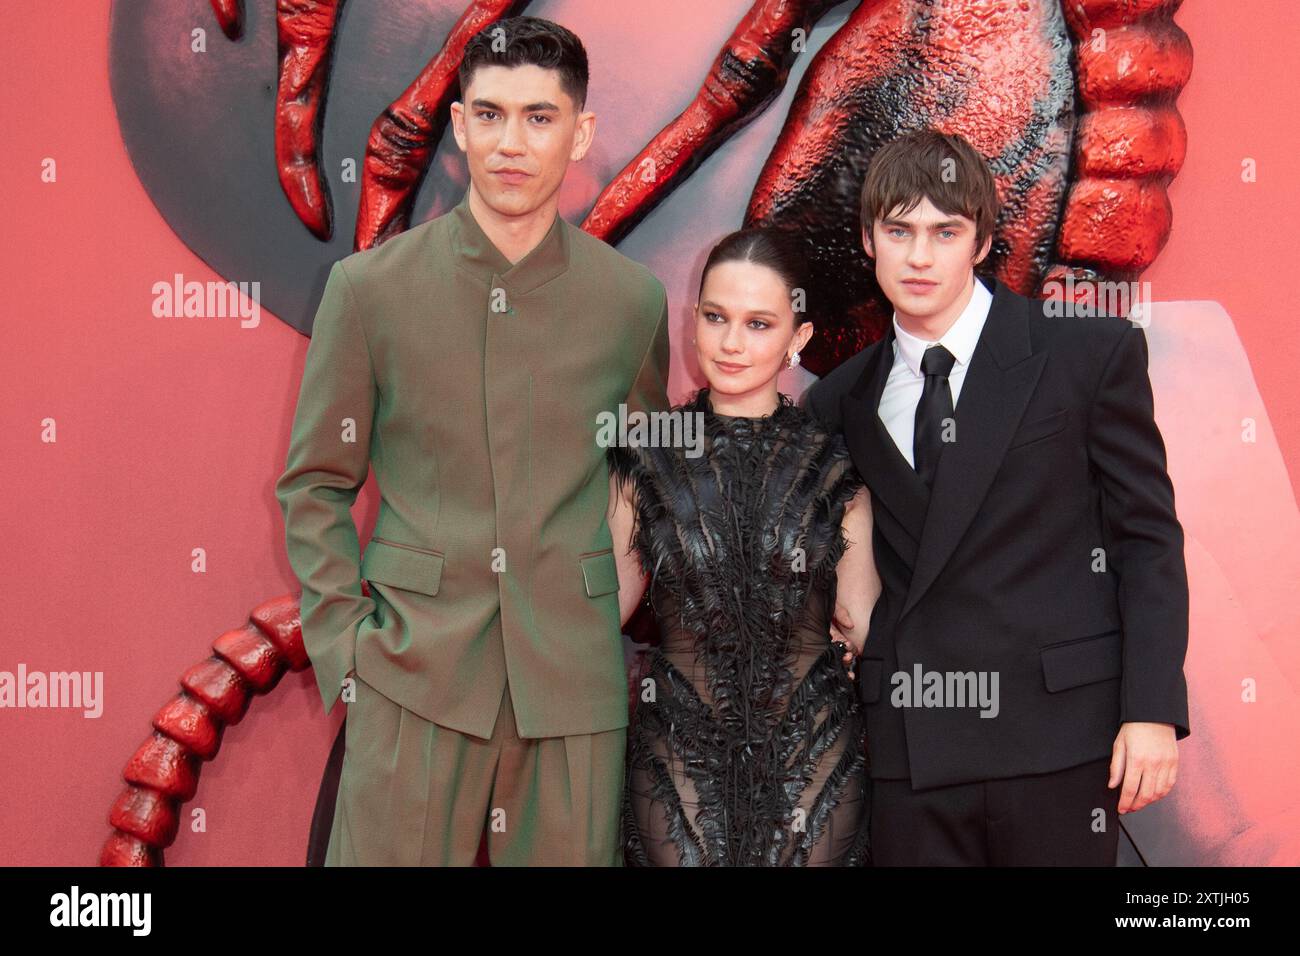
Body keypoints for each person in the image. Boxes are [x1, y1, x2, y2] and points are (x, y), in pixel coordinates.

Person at [275, 16, 670, 866]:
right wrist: (349, 648)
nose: (511, 143)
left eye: (539, 116)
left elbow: (639, 476)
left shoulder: (630, 302)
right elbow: (314, 485)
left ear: (581, 131)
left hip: (570, 688)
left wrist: (603, 605)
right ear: (458, 127)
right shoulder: (370, 289)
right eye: (488, 115)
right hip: (413, 672)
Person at [801, 128, 1190, 865]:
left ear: (981, 243)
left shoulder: (1086, 352)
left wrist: (1152, 710)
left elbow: (1147, 540)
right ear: (868, 240)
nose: (920, 257)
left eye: (945, 232)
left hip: (1061, 739)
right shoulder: (839, 401)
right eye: (899, 231)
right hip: (913, 751)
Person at [607, 228, 880, 866]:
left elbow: (862, 622)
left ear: (798, 339)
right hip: (675, 763)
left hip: (815, 765)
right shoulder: (644, 456)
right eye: (715, 317)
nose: (731, 343)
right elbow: (601, 612)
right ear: (692, 321)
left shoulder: (837, 467)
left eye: (759, 323)